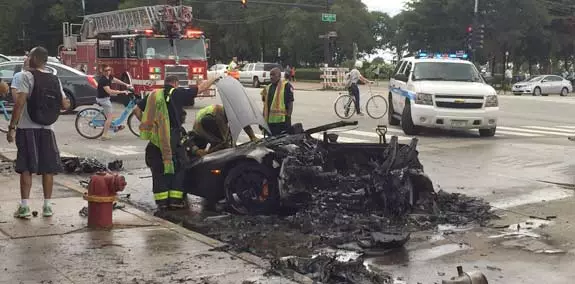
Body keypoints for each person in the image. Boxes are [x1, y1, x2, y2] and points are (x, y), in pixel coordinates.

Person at [137, 75, 218, 210]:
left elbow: (137, 110)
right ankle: (175, 200)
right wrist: (214, 79)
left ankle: (162, 203)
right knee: (179, 166)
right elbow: (201, 88)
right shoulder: (176, 93)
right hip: (171, 137)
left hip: (156, 138)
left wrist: (152, 126)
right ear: (175, 83)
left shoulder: (153, 95)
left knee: (158, 168)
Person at [7, 46, 70, 218]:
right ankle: (48, 207)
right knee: (48, 168)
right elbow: (65, 104)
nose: (26, 58)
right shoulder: (54, 79)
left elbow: (19, 103)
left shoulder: (23, 76)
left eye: (29, 56)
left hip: (27, 129)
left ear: (33, 59)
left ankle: (25, 207)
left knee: (26, 168)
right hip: (47, 129)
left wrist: (12, 128)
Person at [192, 104, 258, 155]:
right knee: (220, 142)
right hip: (200, 126)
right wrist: (232, 147)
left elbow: (242, 122)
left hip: (209, 121)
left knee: (222, 142)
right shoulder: (219, 115)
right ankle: (209, 158)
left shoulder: (231, 112)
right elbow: (225, 138)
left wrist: (252, 136)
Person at [97, 64, 132, 140]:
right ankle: (104, 135)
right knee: (109, 117)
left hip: (106, 98)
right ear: (102, 71)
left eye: (109, 70)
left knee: (111, 114)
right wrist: (122, 91)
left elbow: (116, 80)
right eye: (106, 71)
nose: (108, 72)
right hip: (103, 100)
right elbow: (110, 91)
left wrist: (126, 84)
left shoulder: (109, 77)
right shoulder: (103, 80)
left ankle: (115, 127)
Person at [260, 67, 294, 136]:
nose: (271, 77)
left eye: (273, 75)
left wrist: (288, 118)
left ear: (279, 76)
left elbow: (290, 103)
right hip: (270, 123)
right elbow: (265, 106)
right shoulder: (267, 88)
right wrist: (262, 121)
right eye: (270, 75)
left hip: (282, 122)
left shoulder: (286, 86)